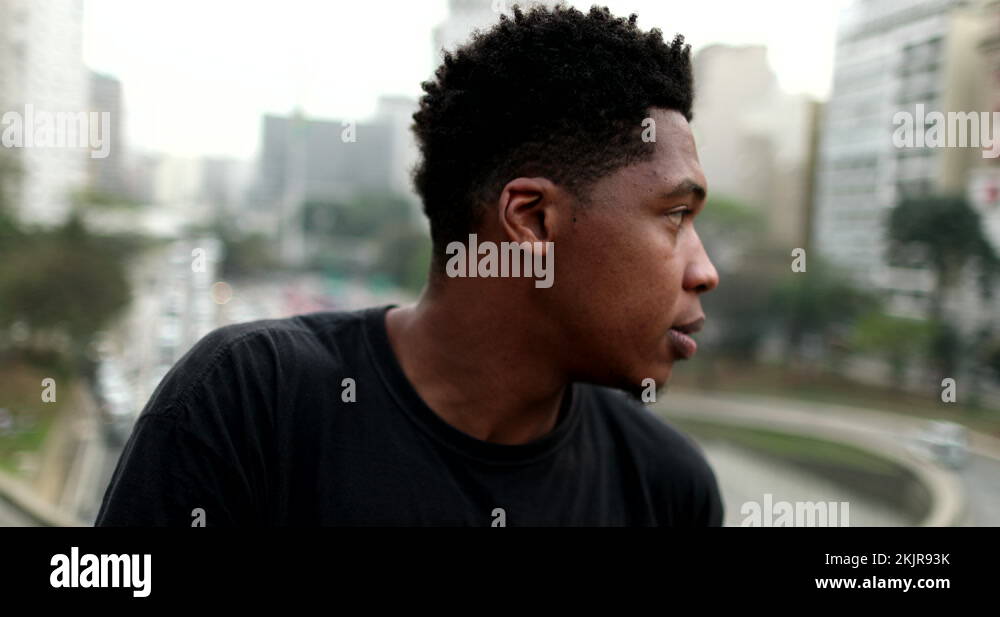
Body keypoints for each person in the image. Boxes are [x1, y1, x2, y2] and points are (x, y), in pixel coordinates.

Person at [95, 4, 723, 527]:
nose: (705, 271)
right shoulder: (252, 404)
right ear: (531, 221)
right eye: (674, 215)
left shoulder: (667, 489)